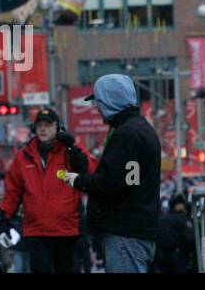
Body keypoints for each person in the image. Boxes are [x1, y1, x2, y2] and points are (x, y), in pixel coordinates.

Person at [63, 73, 161, 273]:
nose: (97, 108)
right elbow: (128, 180)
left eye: (98, 102)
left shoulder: (125, 135)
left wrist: (77, 180)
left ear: (108, 101)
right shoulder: (141, 130)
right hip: (137, 229)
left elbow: (111, 182)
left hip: (124, 233)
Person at [0, 107, 95, 273]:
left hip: (67, 230)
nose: (43, 129)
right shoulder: (23, 156)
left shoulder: (69, 151)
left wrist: (72, 148)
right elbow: (12, 191)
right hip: (36, 231)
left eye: (48, 124)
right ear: (34, 128)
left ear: (58, 127)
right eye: (39, 125)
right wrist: (5, 217)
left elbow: (90, 172)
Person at [153, 193, 195, 274]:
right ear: (178, 205)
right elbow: (190, 239)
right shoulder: (183, 219)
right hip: (179, 255)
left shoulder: (162, 219)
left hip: (162, 256)